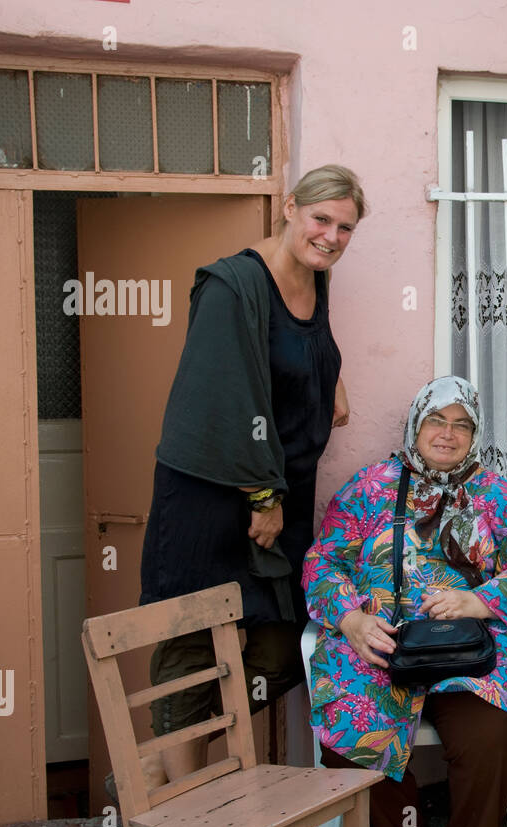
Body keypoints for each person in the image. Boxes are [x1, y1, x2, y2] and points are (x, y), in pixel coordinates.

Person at [139, 164, 366, 784]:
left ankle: (163, 772)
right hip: (213, 495)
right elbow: (225, 399)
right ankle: (183, 807)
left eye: (345, 228)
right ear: (290, 206)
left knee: (274, 642)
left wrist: (332, 381)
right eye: (321, 219)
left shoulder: (316, 281)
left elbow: (306, 341)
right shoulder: (231, 285)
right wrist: (263, 497)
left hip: (280, 495)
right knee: (194, 643)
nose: (331, 236)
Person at [304, 376, 507, 827]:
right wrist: (350, 620)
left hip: (470, 653)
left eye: (461, 424)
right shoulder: (369, 487)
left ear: (474, 435)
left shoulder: (494, 494)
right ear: (416, 424)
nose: (447, 433)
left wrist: (480, 600)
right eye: (436, 419)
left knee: (494, 738)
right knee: (349, 733)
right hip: (381, 647)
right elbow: (322, 561)